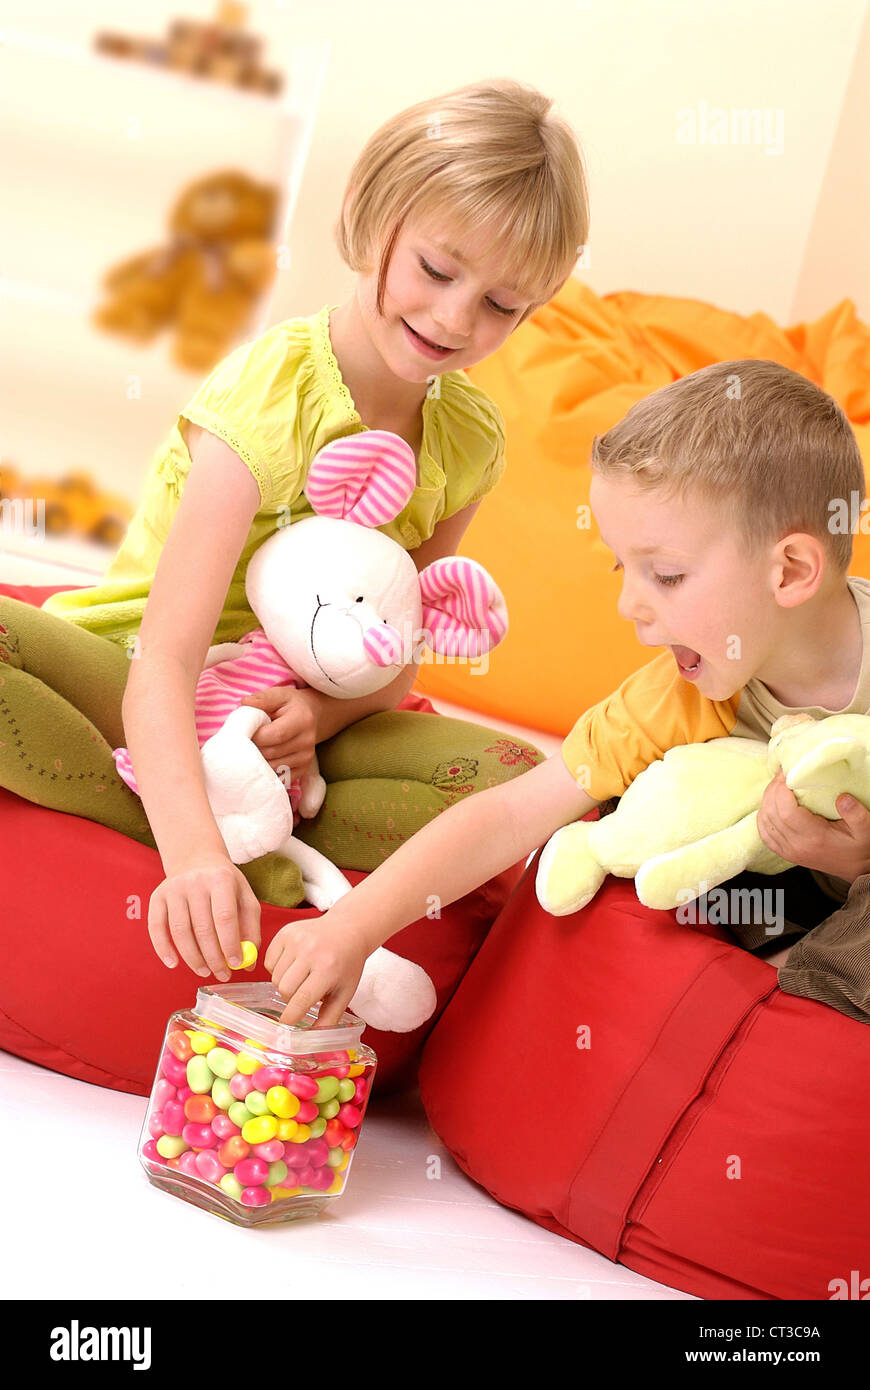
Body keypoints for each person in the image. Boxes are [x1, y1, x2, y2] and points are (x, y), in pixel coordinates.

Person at [0, 78, 588, 981]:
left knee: (529, 781)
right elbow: (165, 658)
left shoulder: (469, 441)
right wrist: (193, 854)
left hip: (292, 736)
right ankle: (213, 834)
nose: (455, 320)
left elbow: (399, 648)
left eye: (503, 307)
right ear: (373, 219)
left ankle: (253, 827)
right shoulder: (270, 397)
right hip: (139, 681)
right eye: (437, 271)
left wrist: (321, 710)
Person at [266, 357, 870, 1028]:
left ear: (789, 572)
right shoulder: (684, 696)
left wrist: (857, 863)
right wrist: (351, 927)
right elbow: (512, 815)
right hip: (778, 902)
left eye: (666, 575)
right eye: (622, 567)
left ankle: (799, 1015)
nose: (628, 607)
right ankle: (782, 1001)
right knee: (646, 832)